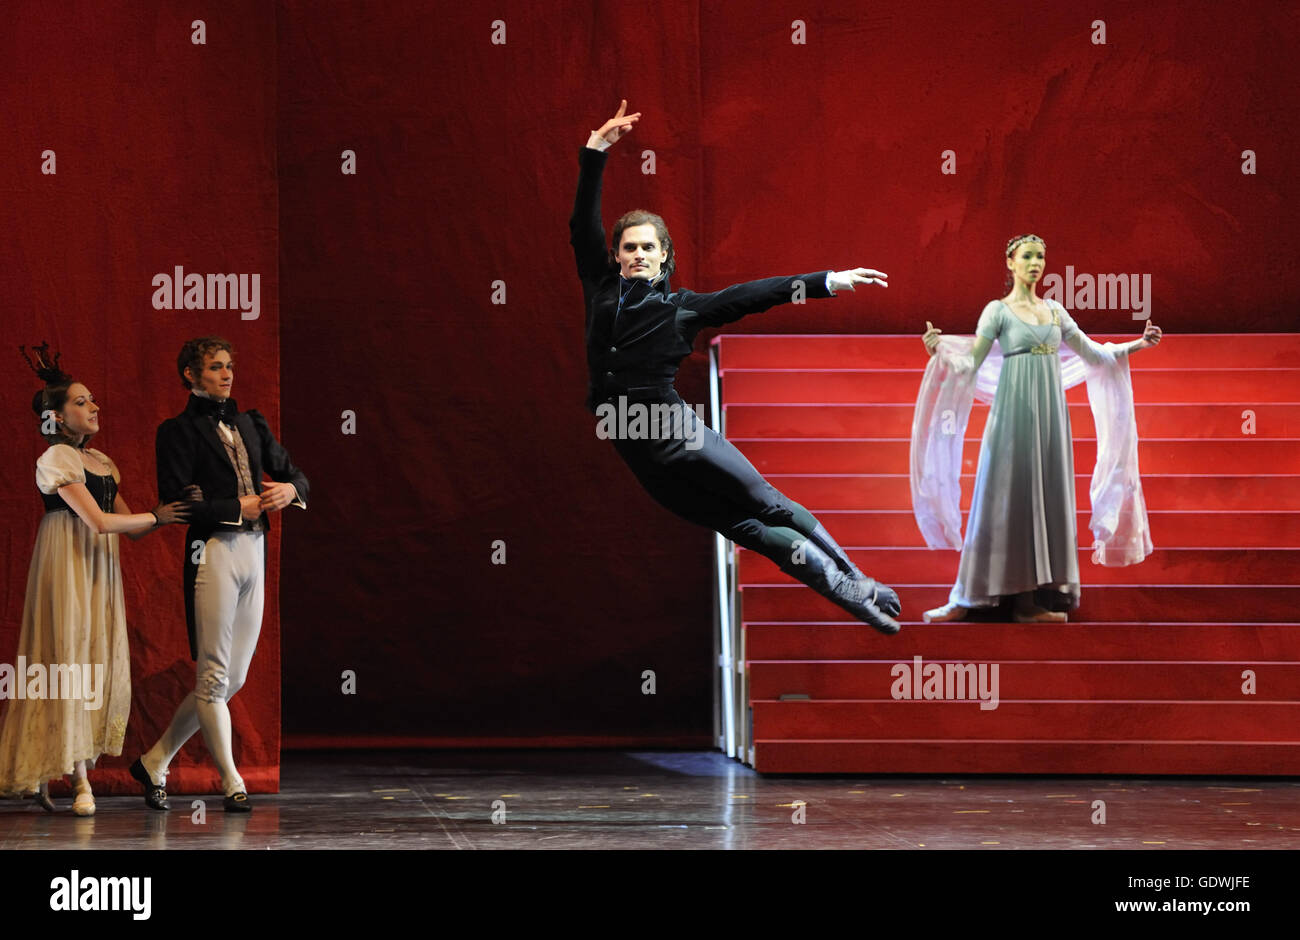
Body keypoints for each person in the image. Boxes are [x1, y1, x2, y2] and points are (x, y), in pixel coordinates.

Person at [572, 101, 902, 633]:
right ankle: (845, 589)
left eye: (647, 248)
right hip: (629, 441)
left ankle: (855, 581)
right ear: (616, 256)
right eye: (628, 247)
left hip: (674, 432)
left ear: (663, 256)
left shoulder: (682, 307)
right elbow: (581, 227)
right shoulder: (601, 291)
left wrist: (826, 281)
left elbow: (751, 295)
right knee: (739, 525)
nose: (637, 254)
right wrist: (595, 154)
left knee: (765, 502)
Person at [913, 234, 1162, 623]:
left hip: (1050, 422)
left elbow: (1095, 355)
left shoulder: (1055, 312)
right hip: (1012, 416)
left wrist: (1138, 345)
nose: (1035, 262)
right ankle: (967, 595)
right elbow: (971, 363)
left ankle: (1030, 603)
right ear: (1010, 262)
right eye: (1027, 256)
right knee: (999, 497)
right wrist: (939, 350)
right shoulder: (996, 311)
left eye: (1041, 256)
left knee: (1043, 500)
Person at [0, 343, 192, 816]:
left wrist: (177, 510)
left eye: (91, 399)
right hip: (66, 560)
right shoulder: (56, 461)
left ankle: (73, 767)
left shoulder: (103, 463)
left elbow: (134, 531)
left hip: (99, 569)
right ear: (59, 418)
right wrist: (155, 514)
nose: (94, 406)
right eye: (81, 402)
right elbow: (100, 522)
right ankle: (76, 778)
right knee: (67, 654)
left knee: (94, 653)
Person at [129, 337, 308, 813]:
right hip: (212, 550)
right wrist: (238, 506)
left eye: (229, 366)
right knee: (212, 676)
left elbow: (295, 474)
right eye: (214, 368)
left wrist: (290, 489)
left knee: (233, 679)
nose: (226, 375)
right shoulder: (177, 431)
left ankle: (153, 761)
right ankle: (231, 779)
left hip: (254, 549)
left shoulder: (250, 422)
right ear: (190, 374)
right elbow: (177, 503)